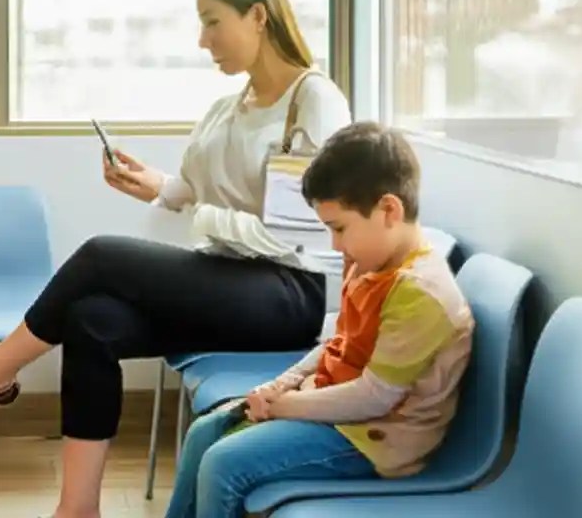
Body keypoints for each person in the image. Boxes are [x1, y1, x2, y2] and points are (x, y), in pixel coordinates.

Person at [0, 0, 352, 518]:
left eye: (212, 20)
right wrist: (151, 185)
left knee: (101, 254)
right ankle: (78, 509)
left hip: (291, 293)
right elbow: (197, 191)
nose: (203, 39)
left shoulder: (313, 100)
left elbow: (297, 234)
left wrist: (203, 218)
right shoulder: (228, 108)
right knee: (91, 320)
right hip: (232, 281)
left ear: (258, 15)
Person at [163, 121, 477, 518]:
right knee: (203, 433)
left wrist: (282, 406)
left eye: (340, 228)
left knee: (223, 464)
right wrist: (279, 386)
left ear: (388, 210)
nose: (335, 244)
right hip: (338, 412)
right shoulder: (370, 263)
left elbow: (374, 397)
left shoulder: (422, 293)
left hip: (376, 437)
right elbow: (337, 343)